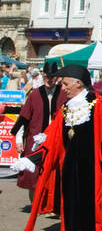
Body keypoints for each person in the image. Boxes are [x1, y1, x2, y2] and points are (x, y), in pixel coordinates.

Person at [15, 63, 102, 231]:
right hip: (69, 166)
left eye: (66, 84)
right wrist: (31, 159)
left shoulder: (97, 104)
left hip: (91, 167)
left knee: (89, 208)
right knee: (69, 208)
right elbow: (52, 138)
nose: (62, 87)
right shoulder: (65, 109)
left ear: (78, 84)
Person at [11, 61, 63, 193]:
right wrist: (18, 140)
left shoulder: (63, 94)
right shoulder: (35, 94)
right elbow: (24, 119)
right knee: (34, 173)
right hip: (35, 141)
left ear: (57, 77)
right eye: (46, 76)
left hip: (57, 140)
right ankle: (36, 205)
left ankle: (52, 206)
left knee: (56, 173)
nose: (48, 79)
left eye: (51, 77)